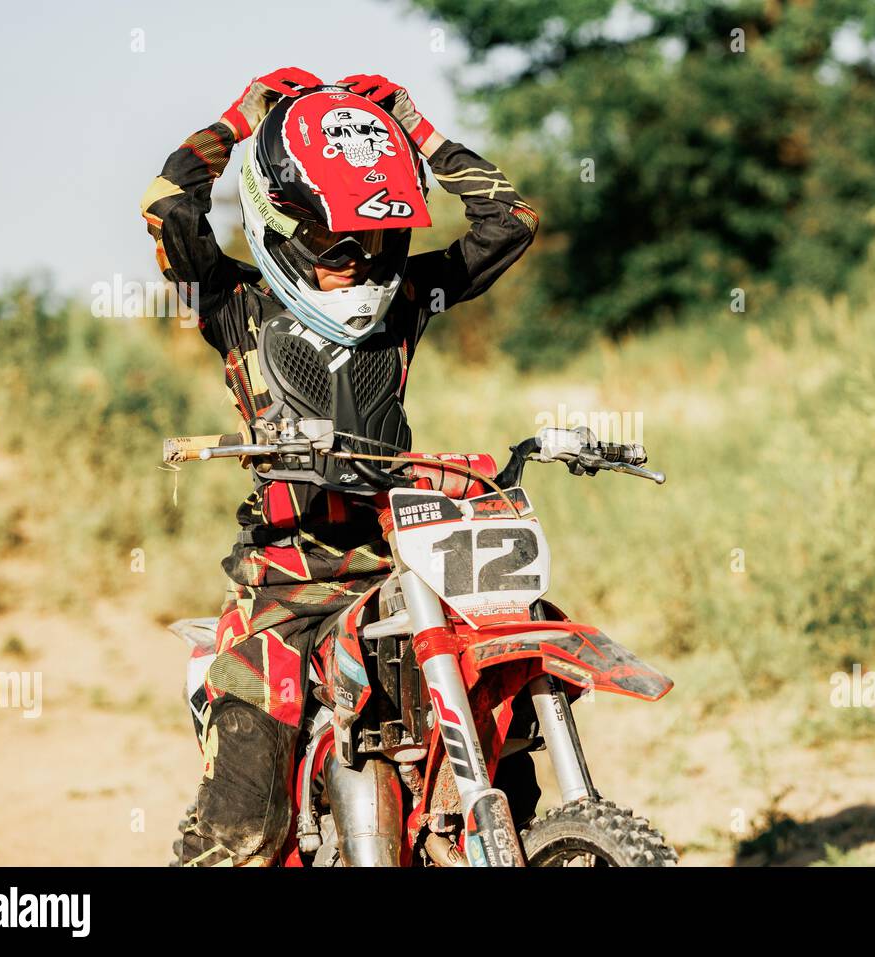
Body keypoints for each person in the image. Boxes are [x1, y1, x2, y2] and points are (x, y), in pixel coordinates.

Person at [141, 67, 540, 866]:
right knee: (242, 830)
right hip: (284, 583)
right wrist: (239, 119)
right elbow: (168, 208)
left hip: (409, 560)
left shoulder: (402, 304)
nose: (355, 260)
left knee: (512, 731)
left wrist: (414, 130)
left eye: (373, 238)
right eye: (330, 240)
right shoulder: (236, 305)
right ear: (286, 231)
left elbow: (512, 220)